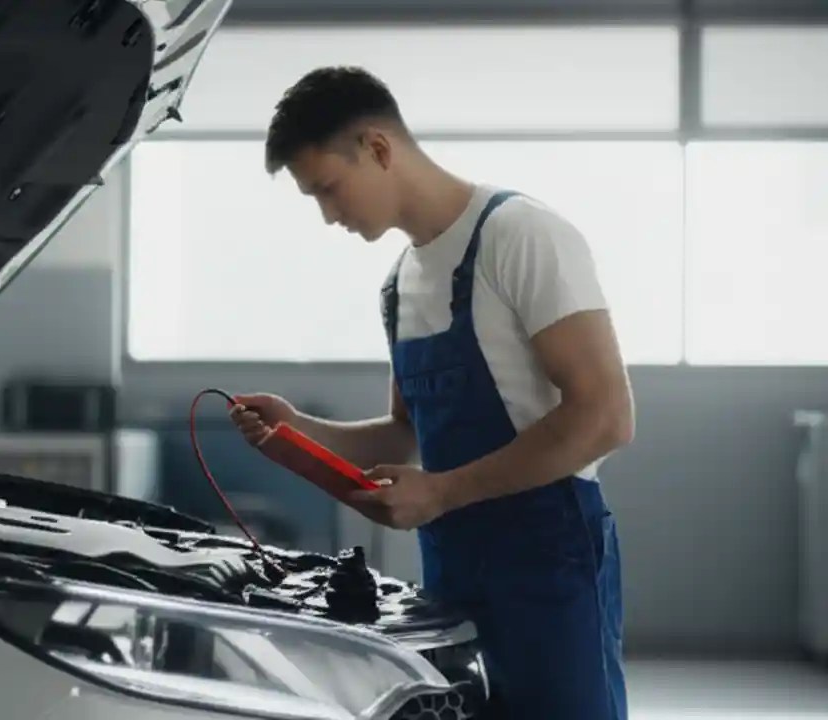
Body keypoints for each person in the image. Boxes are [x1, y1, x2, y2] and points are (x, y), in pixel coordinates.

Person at [228, 66, 635, 719]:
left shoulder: (520, 236)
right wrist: (297, 429)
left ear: (377, 148)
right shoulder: (399, 286)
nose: (328, 216)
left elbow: (606, 416)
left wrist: (443, 492)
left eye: (328, 189)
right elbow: (406, 434)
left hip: (548, 562)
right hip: (453, 569)